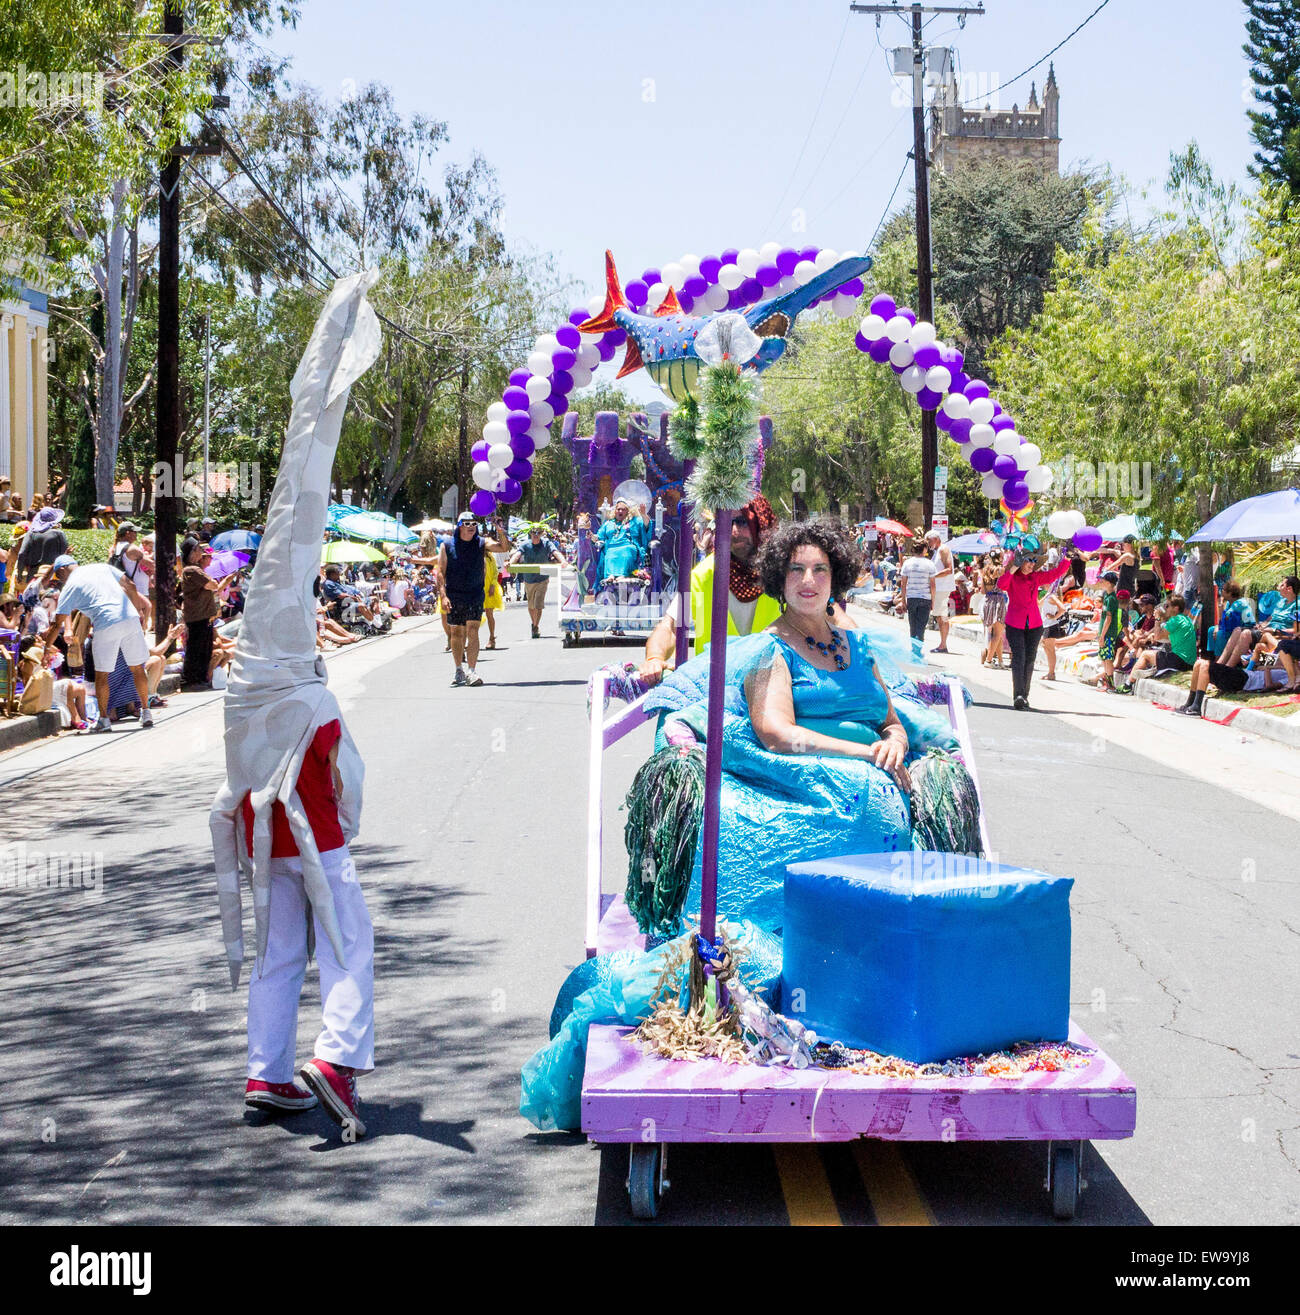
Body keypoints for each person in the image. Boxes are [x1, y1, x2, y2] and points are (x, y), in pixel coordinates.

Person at [638, 494, 781, 687]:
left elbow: (826, 620)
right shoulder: (702, 575)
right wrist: (654, 658)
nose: (734, 531)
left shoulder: (786, 574)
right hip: (713, 692)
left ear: (762, 523)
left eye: (743, 522)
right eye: (725, 523)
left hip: (774, 690)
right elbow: (670, 627)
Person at [38, 555, 154, 732]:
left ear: (61, 570)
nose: (60, 580)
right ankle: (146, 712)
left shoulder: (70, 586)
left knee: (102, 675)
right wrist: (139, 612)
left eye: (58, 577)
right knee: (137, 667)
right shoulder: (102, 567)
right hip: (129, 618)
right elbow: (130, 586)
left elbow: (57, 623)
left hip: (105, 623)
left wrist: (46, 649)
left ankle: (104, 720)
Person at [438, 510, 510, 687]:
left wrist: (500, 530)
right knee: (456, 632)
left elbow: (503, 548)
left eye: (474, 524)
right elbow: (440, 572)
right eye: (467, 524)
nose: (471, 527)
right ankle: (458, 669)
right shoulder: (447, 545)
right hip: (454, 594)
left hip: (475, 593)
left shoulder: (482, 543)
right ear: (460, 526)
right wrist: (443, 596)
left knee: (473, 629)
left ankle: (471, 670)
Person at [998, 548, 1070, 710]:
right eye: (1028, 560)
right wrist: (1013, 568)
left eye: (1034, 561)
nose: (1031, 564)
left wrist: (1068, 559)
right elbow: (1001, 584)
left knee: (1029, 660)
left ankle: (1024, 695)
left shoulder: (1035, 577)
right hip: (1015, 623)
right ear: (1020, 561)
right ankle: (1018, 695)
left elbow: (1056, 573)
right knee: (1019, 659)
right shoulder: (1012, 578)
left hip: (1035, 625)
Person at [181, 542, 236, 690]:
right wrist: (212, 581)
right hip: (197, 617)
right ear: (193, 553)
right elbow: (211, 585)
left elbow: (215, 587)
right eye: (200, 551)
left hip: (205, 617)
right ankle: (189, 681)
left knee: (204, 650)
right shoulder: (192, 570)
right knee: (195, 650)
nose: (206, 557)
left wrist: (228, 579)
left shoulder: (198, 571)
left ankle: (200, 679)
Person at [1177, 653, 1291, 716]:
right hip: (1243, 674)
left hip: (1245, 681)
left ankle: (1197, 707)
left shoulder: (1288, 677)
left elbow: (1269, 686)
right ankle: (1190, 702)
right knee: (1199, 663)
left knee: (1205, 665)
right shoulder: (1282, 668)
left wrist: (1267, 669)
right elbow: (1259, 649)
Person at [509, 525, 567, 639]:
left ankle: (535, 626)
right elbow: (517, 554)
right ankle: (533, 623)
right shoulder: (525, 544)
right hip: (529, 579)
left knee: (538, 605)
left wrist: (563, 561)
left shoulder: (546, 543)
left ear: (542, 533)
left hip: (542, 579)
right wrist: (511, 563)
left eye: (538, 533)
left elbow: (555, 552)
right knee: (531, 606)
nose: (536, 535)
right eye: (534, 532)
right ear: (530, 533)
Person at [1126, 594, 1198, 683]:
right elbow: (1167, 638)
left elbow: (1157, 637)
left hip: (1180, 661)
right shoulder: (1185, 619)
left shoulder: (1175, 620)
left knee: (1145, 654)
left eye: (1167, 606)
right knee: (1155, 652)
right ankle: (1152, 671)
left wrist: (1157, 618)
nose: (1165, 608)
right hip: (1189, 662)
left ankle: (1128, 684)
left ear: (1176, 608)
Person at [590, 496, 650, 582]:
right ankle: (611, 576)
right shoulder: (608, 523)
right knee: (609, 553)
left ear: (627, 511)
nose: (620, 511)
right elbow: (599, 536)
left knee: (626, 551)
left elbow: (646, 525)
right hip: (612, 547)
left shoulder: (634, 521)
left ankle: (623, 575)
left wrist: (643, 514)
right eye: (618, 509)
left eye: (623, 509)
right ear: (615, 511)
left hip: (628, 546)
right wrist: (592, 536)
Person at [897, 540, 936, 653]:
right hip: (925, 598)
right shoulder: (930, 564)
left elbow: (903, 584)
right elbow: (933, 585)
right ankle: (918, 648)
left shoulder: (907, 563)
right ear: (924, 549)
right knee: (921, 625)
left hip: (912, 598)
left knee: (912, 625)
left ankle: (914, 648)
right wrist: (933, 600)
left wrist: (903, 600)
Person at [1087, 570, 1123, 692]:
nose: (1100, 582)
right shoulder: (1106, 596)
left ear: (1109, 583)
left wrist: (1102, 636)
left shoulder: (1111, 598)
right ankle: (1106, 683)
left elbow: (1109, 618)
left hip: (1108, 634)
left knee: (1108, 659)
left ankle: (1110, 685)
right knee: (1104, 658)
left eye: (1102, 580)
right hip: (1104, 633)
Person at [15, 505, 68, 587]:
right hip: (54, 576)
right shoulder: (59, 534)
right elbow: (65, 557)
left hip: (34, 575)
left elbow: (22, 554)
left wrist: (19, 573)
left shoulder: (31, 534)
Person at [924, 528, 955, 653]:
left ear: (936, 539)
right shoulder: (938, 551)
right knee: (939, 615)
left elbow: (949, 569)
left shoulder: (943, 549)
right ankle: (942, 644)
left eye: (929, 541)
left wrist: (933, 576)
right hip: (939, 588)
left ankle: (943, 645)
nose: (928, 544)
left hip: (943, 588)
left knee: (942, 616)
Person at [980, 559, 1008, 668]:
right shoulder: (1001, 571)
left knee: (997, 634)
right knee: (997, 634)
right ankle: (989, 660)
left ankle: (1000, 661)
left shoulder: (985, 572)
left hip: (987, 602)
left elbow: (982, 591)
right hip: (998, 602)